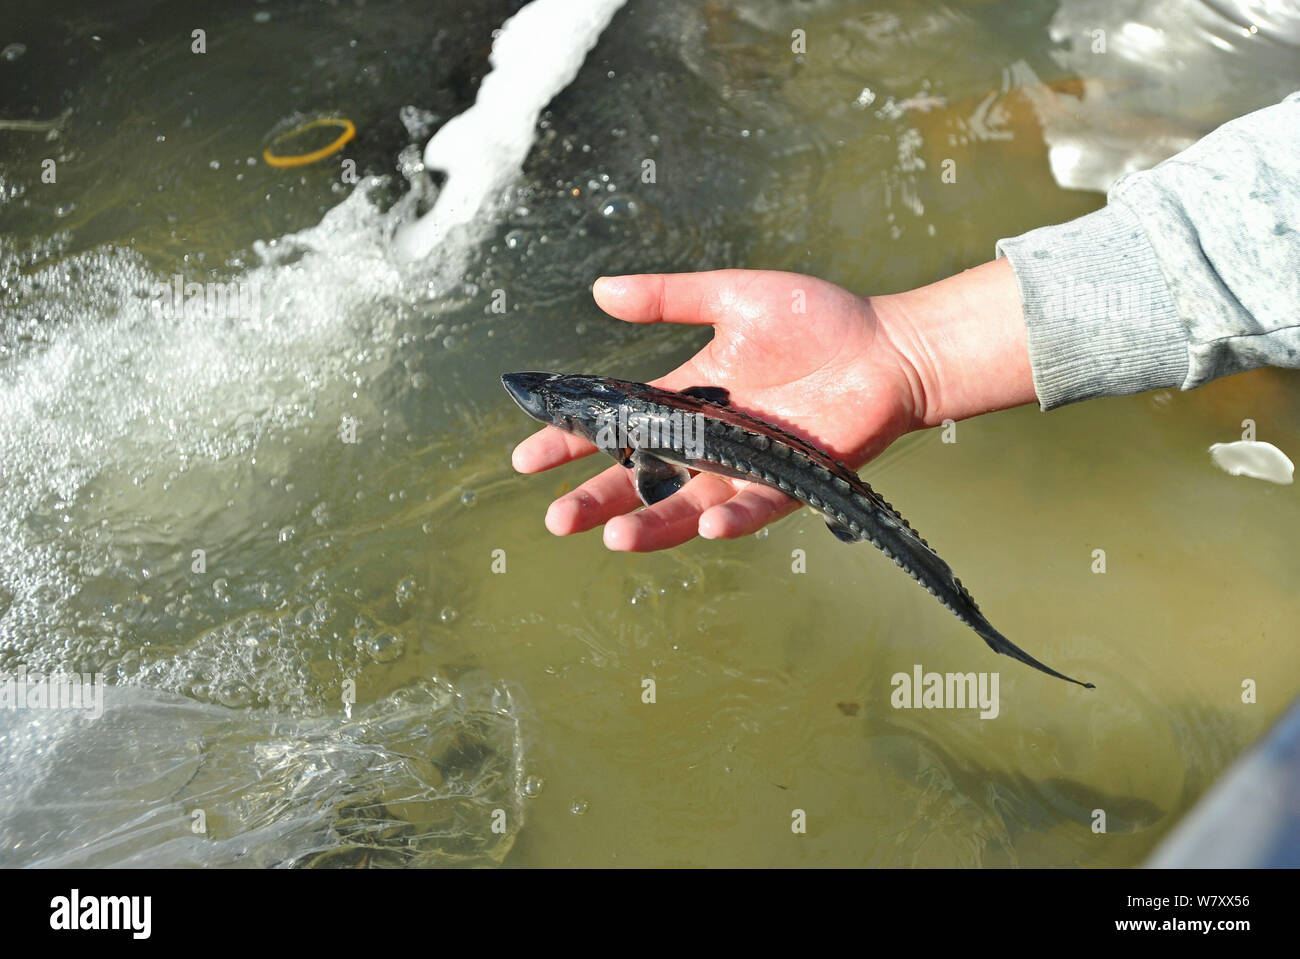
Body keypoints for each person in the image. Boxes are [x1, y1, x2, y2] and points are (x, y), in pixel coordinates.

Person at [511, 91, 1300, 552]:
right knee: (854, 510)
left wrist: (911, 354)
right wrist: (910, 351)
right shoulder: (662, 430)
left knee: (857, 514)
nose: (548, 392)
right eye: (560, 395)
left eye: (561, 395)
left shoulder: (654, 444)